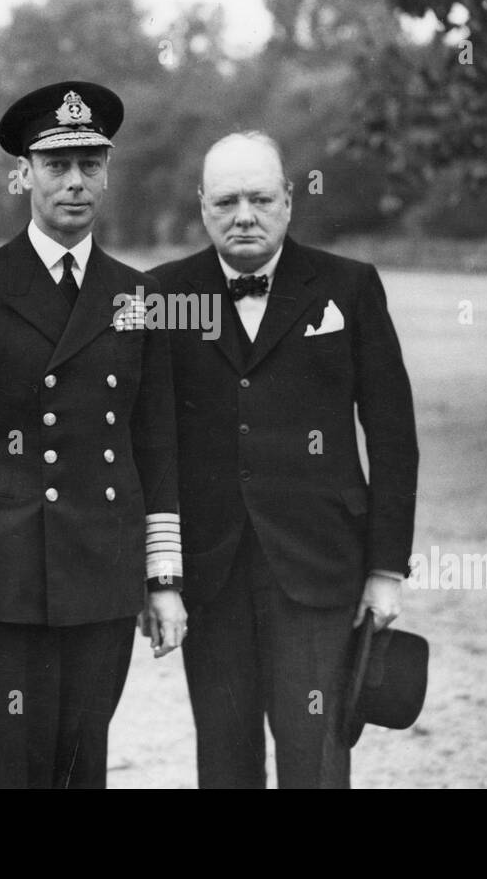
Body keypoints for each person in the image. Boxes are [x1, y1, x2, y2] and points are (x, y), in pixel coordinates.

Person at [0, 80, 185, 789]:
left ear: (106, 173)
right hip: (2, 576)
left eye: (90, 165)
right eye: (56, 165)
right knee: (7, 770)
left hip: (102, 569)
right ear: (24, 173)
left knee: (80, 766)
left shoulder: (140, 297)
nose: (74, 182)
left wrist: (162, 579)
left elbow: (155, 442)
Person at [149, 131, 419, 789]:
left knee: (316, 761)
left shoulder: (349, 287)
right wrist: (161, 574)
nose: (244, 214)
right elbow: (147, 443)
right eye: (227, 200)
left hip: (320, 567)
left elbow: (392, 436)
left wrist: (387, 568)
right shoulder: (161, 294)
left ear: (289, 201)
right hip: (211, 574)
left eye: (260, 198)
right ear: (202, 206)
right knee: (224, 761)